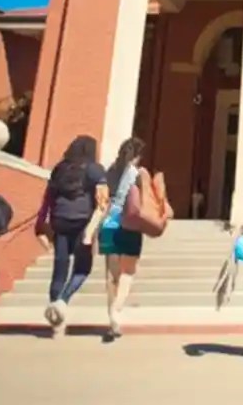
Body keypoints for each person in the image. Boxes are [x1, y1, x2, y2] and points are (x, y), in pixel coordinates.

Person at [36, 135, 108, 338]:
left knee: (60, 267)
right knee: (83, 269)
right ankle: (63, 301)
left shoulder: (60, 168)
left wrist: (41, 224)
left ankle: (56, 324)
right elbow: (103, 202)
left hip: (60, 221)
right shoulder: (95, 169)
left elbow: (48, 198)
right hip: (82, 222)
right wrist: (90, 231)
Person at [94, 137, 156, 341]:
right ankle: (117, 313)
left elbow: (101, 198)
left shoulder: (110, 172)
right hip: (129, 224)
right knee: (128, 272)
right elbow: (148, 199)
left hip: (109, 223)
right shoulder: (139, 173)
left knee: (111, 275)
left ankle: (111, 314)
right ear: (138, 155)